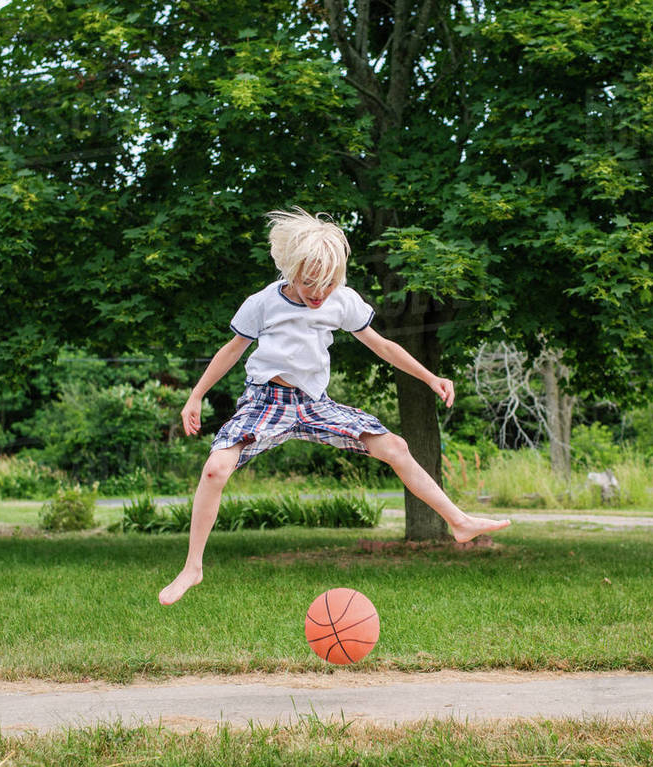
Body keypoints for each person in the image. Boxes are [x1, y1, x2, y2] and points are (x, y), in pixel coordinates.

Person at [159, 208, 510, 606]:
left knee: (394, 446)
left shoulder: (341, 301)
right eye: (310, 283)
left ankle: (459, 522)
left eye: (327, 285)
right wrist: (196, 394)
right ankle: (193, 567)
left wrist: (430, 377)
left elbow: (383, 346)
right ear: (291, 269)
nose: (318, 294)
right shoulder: (262, 304)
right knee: (214, 469)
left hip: (314, 404)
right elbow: (230, 351)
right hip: (266, 401)